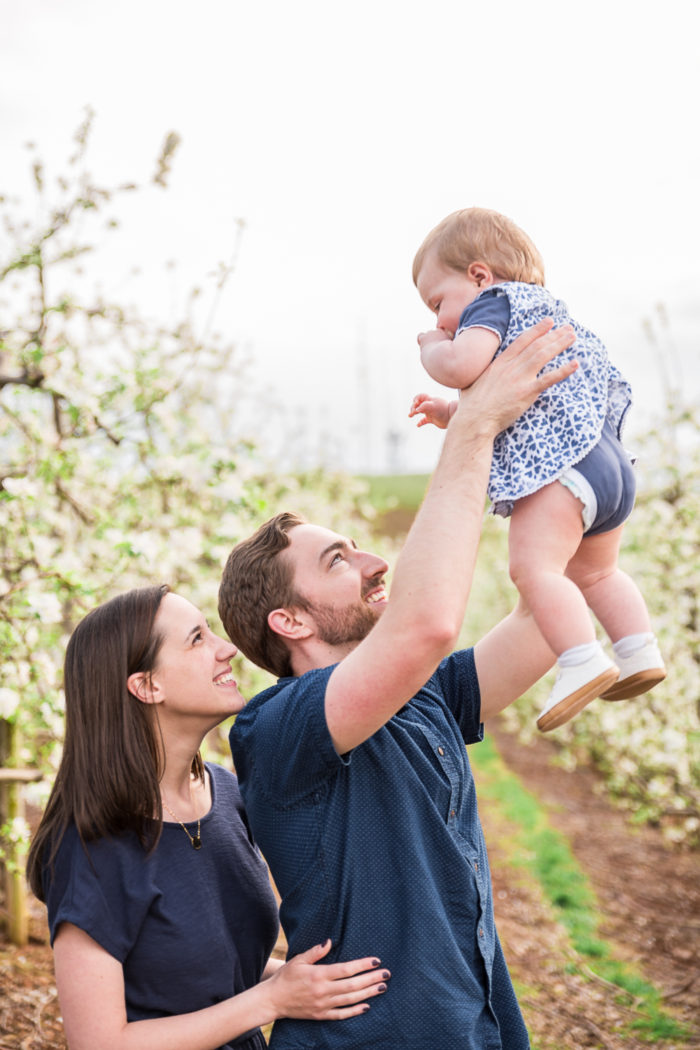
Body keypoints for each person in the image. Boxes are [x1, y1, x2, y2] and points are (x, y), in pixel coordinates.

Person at [218, 321, 578, 1050]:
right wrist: (471, 427)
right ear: (288, 620)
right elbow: (427, 624)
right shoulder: (277, 728)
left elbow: (549, 616)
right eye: (338, 561)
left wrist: (559, 451)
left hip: (477, 1029)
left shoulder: (429, 693)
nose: (374, 560)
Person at [26, 585, 391, 1050]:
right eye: (198, 639)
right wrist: (272, 1001)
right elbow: (98, 1042)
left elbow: (206, 963)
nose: (228, 650)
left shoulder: (225, 794)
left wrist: (313, 984)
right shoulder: (92, 848)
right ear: (146, 685)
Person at [409, 206, 665, 731]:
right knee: (596, 572)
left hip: (561, 474)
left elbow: (460, 365)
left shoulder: (494, 305)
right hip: (609, 466)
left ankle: (580, 660)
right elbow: (524, 404)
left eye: (438, 302)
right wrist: (453, 413)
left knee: (534, 571)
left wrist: (432, 351)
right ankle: (639, 650)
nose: (438, 319)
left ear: (479, 276)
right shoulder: (553, 314)